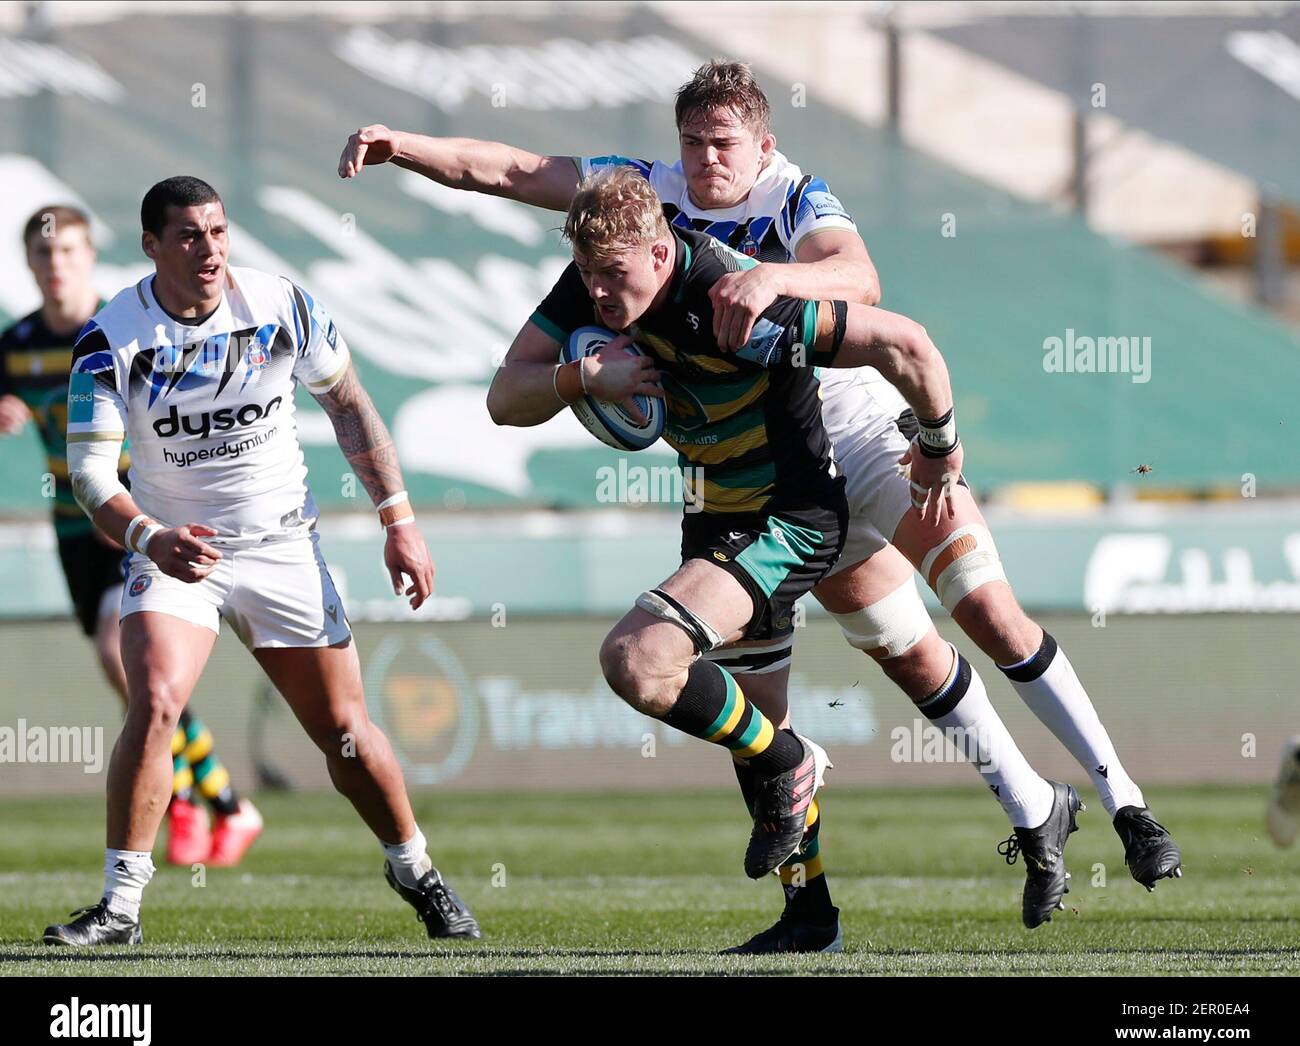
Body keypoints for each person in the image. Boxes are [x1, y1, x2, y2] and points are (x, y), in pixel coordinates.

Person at [338, 60, 1180, 947]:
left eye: (723, 142)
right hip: (749, 470)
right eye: (691, 141)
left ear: (763, 145)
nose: (705, 158)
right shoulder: (640, 199)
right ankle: (996, 824)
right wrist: (405, 147)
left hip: (857, 432)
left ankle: (1126, 802)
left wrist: (776, 281)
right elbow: (512, 171)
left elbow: (863, 281)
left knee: (987, 611)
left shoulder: (793, 197)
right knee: (885, 662)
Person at [487, 166, 1084, 947]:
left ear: (660, 253)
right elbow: (504, 397)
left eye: (612, 273)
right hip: (716, 514)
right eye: (587, 272)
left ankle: (796, 760)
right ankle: (808, 913)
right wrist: (583, 375)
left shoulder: (732, 299)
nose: (597, 291)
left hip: (790, 518)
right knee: (749, 715)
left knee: (639, 661)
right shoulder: (592, 283)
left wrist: (939, 445)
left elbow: (904, 342)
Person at [42, 176, 478, 946]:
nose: (208, 249)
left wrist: (399, 520)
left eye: (217, 231)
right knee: (155, 699)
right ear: (150, 246)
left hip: (283, 547)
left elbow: (349, 404)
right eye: (188, 235)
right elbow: (89, 478)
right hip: (176, 552)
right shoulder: (110, 340)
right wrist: (151, 538)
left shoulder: (281, 305)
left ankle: (416, 870)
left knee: (345, 733)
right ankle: (120, 905)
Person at [0, 203, 260, 867]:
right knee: (129, 675)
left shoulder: (119, 326)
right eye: (43, 253)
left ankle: (188, 799)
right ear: (28, 262)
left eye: (67, 252)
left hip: (134, 519)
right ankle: (223, 800)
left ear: (89, 256)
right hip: (72, 525)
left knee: (126, 659)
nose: (55, 265)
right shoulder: (18, 344)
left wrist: (145, 510)